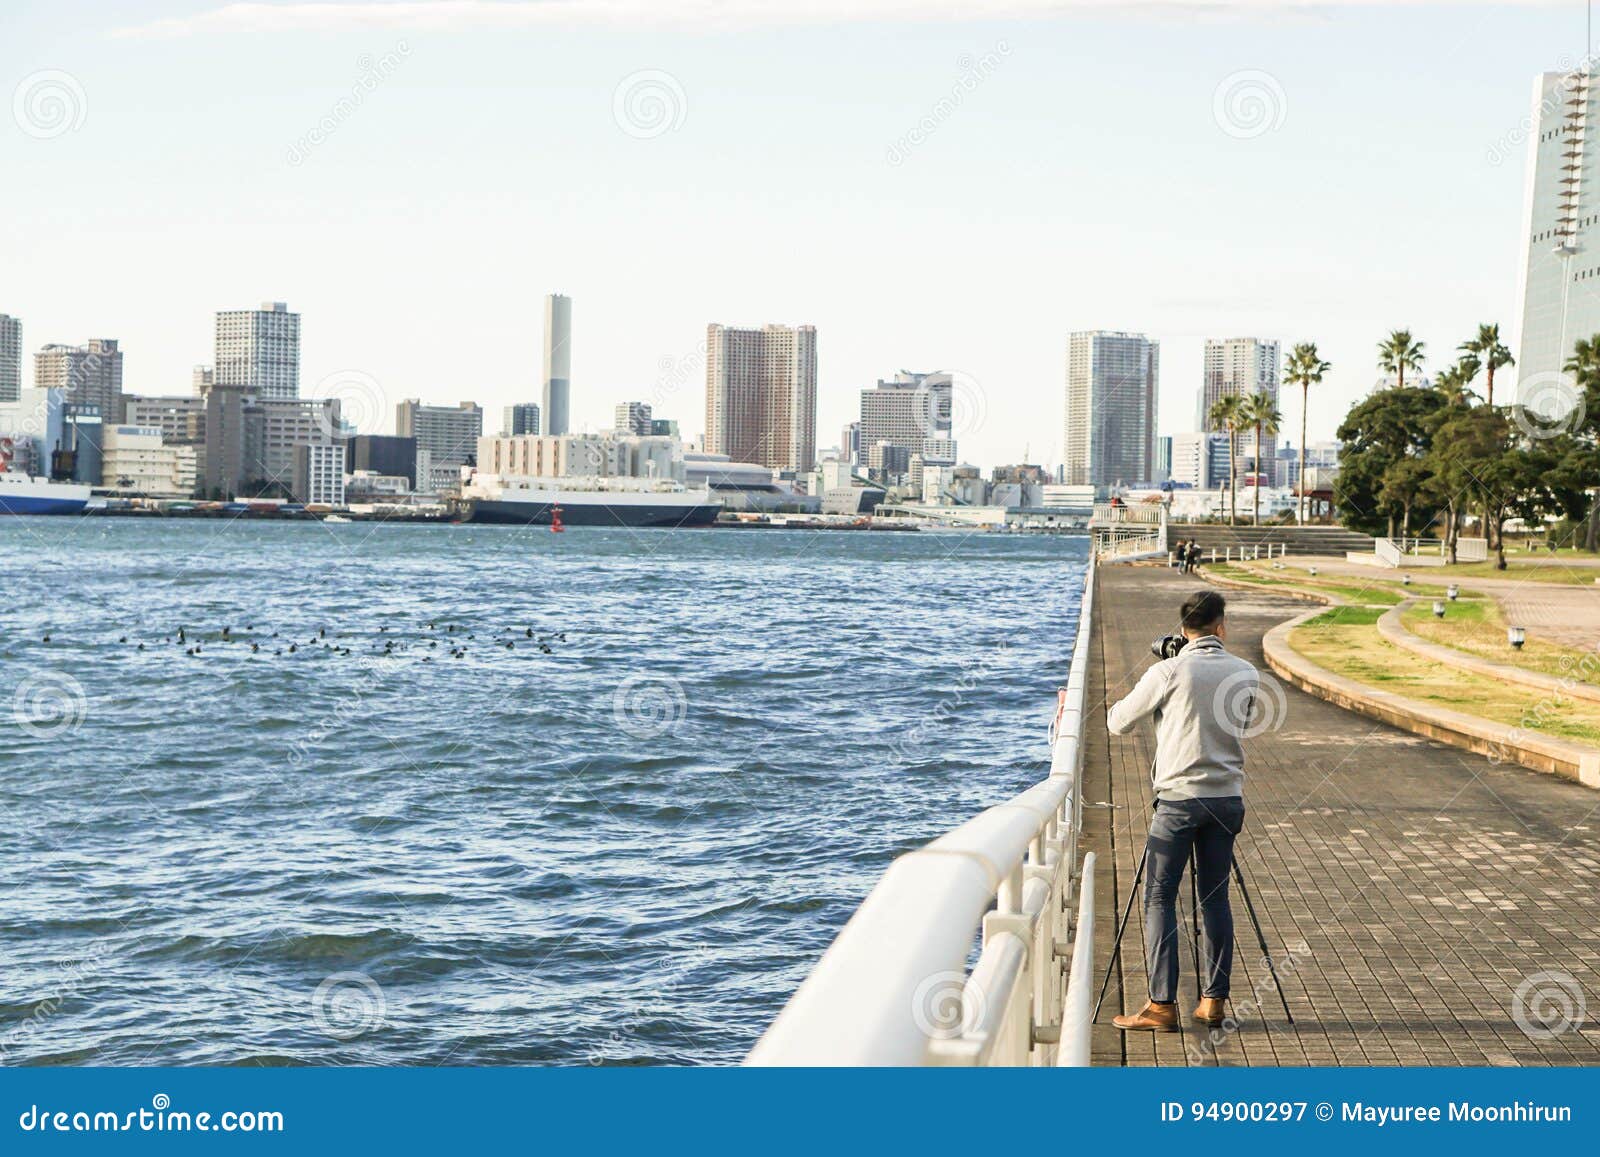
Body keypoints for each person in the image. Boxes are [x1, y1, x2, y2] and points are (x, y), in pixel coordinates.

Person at [1104, 589, 1255, 1032]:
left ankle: (1161, 1005)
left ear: (1182, 629)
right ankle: (1213, 1001)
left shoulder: (1167, 670)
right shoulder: (1247, 673)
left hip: (1178, 801)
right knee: (1215, 898)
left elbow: (1117, 722)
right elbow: (1238, 725)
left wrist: (1163, 674)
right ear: (1221, 626)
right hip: (1227, 799)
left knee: (1159, 897)